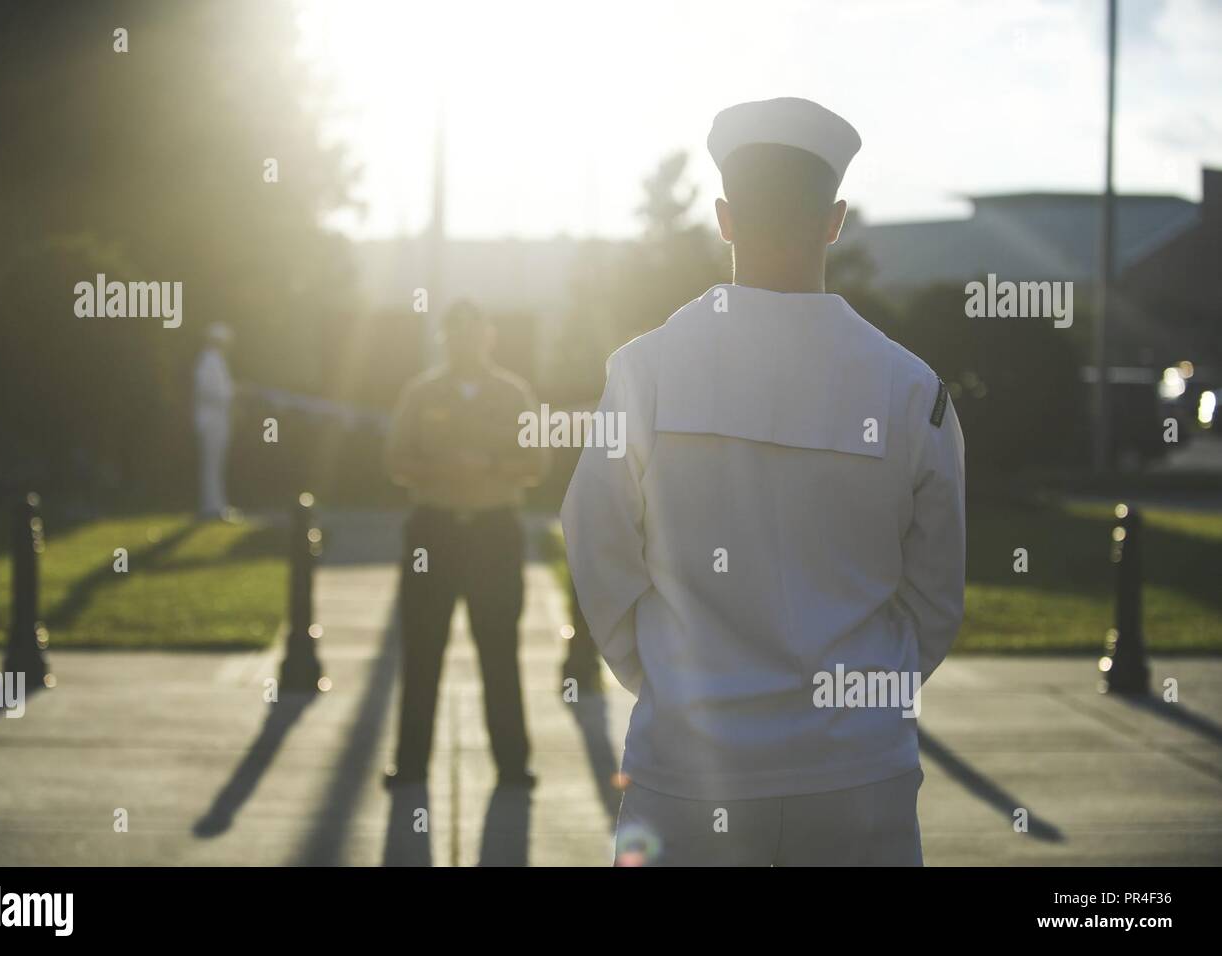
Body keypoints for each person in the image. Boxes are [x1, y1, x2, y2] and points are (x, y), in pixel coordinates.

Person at [560, 98, 966, 866]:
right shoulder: (913, 388)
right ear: (836, 219)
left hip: (691, 766)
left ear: (723, 217)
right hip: (857, 773)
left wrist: (666, 676)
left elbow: (597, 545)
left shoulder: (643, 370)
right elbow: (937, 594)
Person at [383, 301, 549, 789]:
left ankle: (513, 765)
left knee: (499, 648)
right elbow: (395, 459)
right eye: (455, 333)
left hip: (494, 532)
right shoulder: (421, 393)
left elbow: (538, 462)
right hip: (433, 533)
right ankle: (410, 766)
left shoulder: (514, 394)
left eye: (474, 332)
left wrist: (491, 467)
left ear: (489, 336)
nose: (465, 341)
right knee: (422, 648)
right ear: (445, 338)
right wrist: (442, 469)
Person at [193, 322, 236, 519]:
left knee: (216, 465)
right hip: (211, 420)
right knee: (211, 465)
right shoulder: (209, 361)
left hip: (218, 419)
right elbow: (212, 392)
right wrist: (232, 393)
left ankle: (217, 504)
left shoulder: (215, 361)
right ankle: (210, 507)